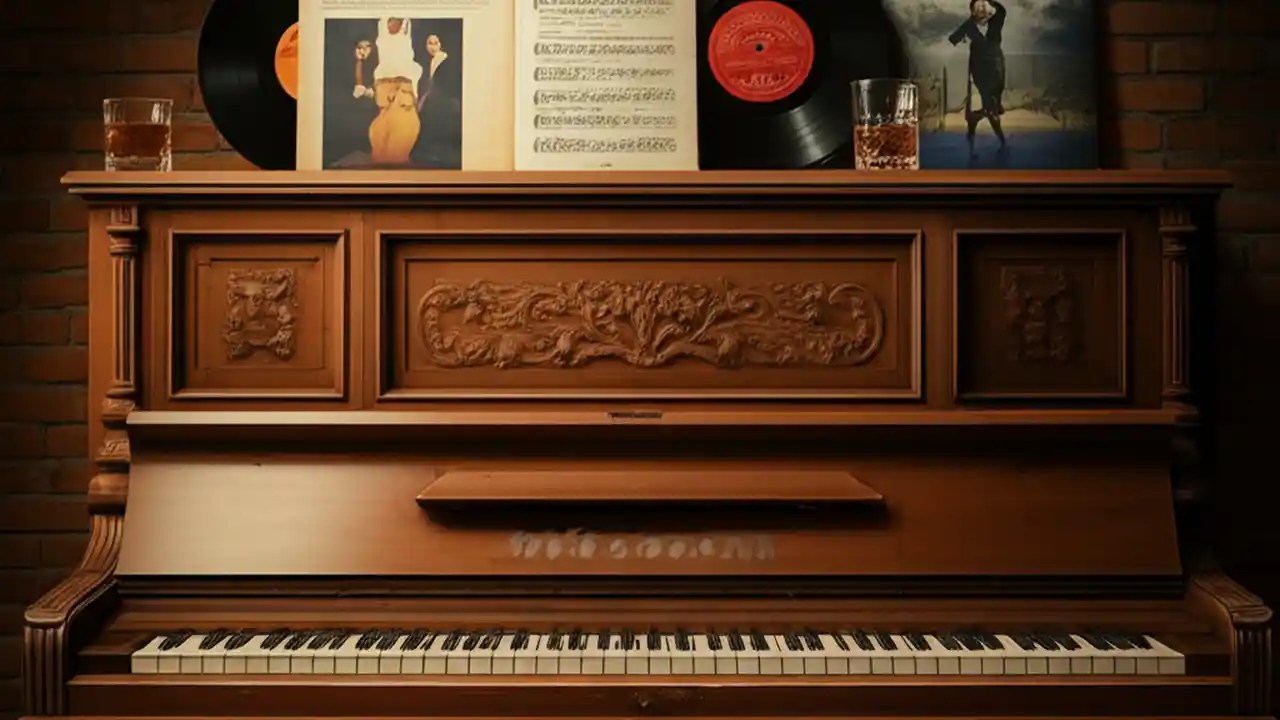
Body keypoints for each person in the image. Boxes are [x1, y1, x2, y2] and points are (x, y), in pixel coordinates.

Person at [948, 0, 1007, 156]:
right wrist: (963, 38)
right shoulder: (969, 25)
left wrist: (990, 3)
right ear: (973, 11)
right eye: (978, 6)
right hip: (978, 73)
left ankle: (999, 140)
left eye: (984, 5)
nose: (982, 8)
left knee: (990, 106)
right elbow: (953, 38)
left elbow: (1001, 11)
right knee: (982, 108)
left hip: (995, 69)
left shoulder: (995, 22)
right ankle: (983, 141)